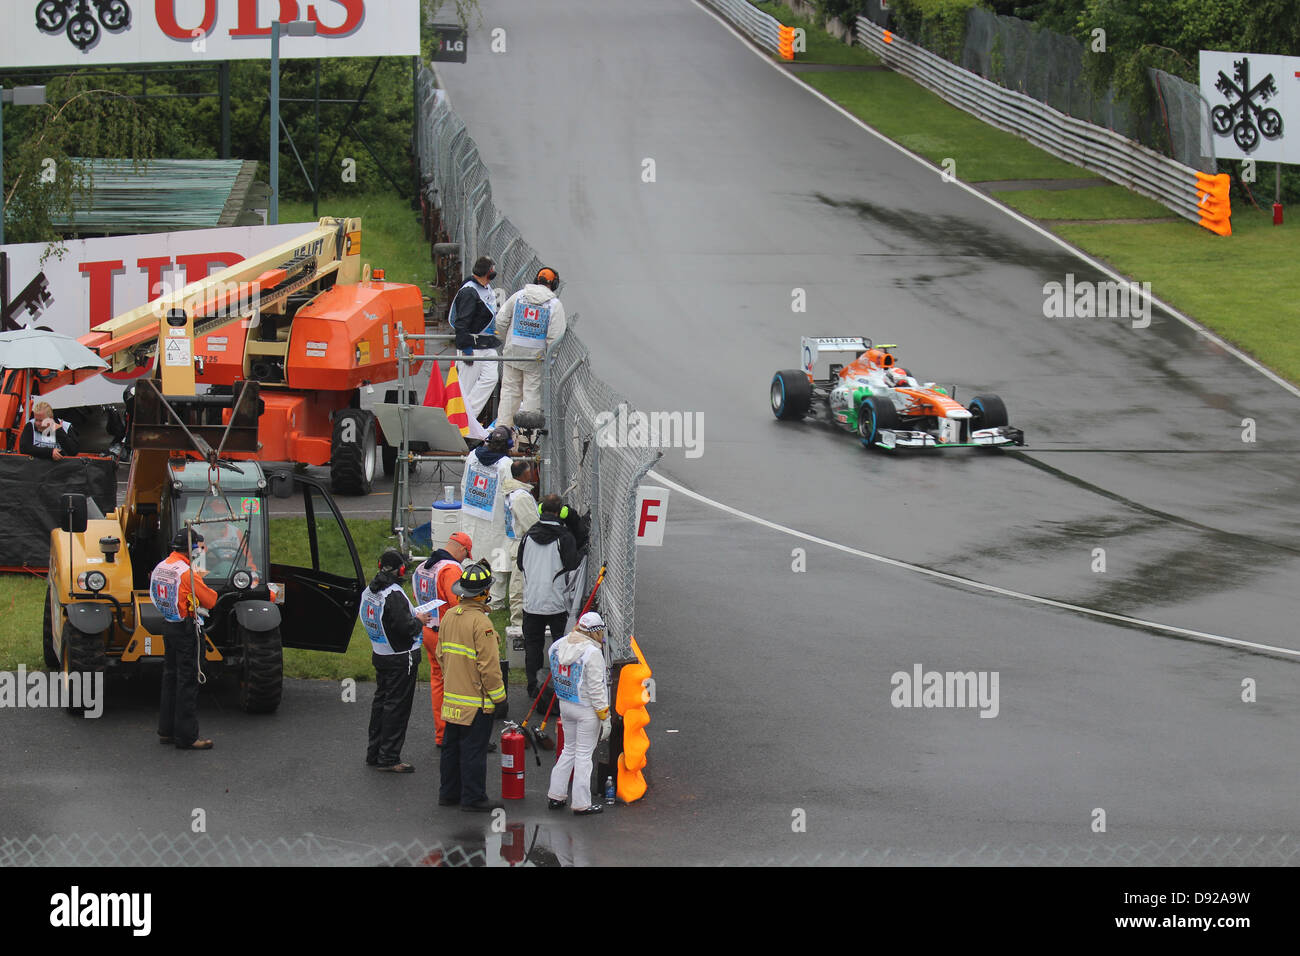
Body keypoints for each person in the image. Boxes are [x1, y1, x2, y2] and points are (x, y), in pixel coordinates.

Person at [436, 563, 507, 811]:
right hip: (476, 704)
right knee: (473, 751)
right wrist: (499, 699)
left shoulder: (448, 617)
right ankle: (473, 798)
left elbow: (440, 655)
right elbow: (489, 667)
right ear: (484, 593)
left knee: (451, 748)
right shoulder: (482, 624)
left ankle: (449, 794)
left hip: (452, 700)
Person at [360, 547, 432, 773]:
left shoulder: (370, 591)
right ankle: (389, 757)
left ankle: (375, 752)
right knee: (396, 708)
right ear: (400, 569)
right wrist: (419, 620)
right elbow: (407, 628)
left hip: (381, 654)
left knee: (381, 704)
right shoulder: (394, 594)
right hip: (401, 659)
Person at [151, 528, 219, 750]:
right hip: (186, 630)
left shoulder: (161, 567)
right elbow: (210, 600)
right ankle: (187, 736)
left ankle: (166, 730)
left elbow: (154, 596)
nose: (199, 551)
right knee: (187, 681)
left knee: (170, 678)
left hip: (169, 625)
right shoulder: (186, 573)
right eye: (198, 547)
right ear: (190, 549)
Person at [411, 530, 473, 748]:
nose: (465, 560)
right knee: (458, 683)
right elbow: (459, 603)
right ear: (461, 549)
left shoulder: (424, 566)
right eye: (466, 555)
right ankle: (459, 734)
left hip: (427, 631)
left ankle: (442, 734)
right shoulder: (451, 569)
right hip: (447, 636)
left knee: (438, 681)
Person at [517, 493, 581, 703]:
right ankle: (561, 687)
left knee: (532, 647)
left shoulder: (527, 536)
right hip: (556, 603)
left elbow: (520, 564)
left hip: (531, 602)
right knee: (561, 647)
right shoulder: (564, 537)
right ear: (559, 512)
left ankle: (533, 689)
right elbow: (572, 564)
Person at [546, 612, 611, 816]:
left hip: (565, 704)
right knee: (583, 755)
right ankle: (582, 803)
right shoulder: (592, 653)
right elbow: (596, 689)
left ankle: (556, 795)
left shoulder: (557, 646)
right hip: (586, 710)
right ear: (596, 631)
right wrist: (605, 716)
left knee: (568, 750)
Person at [493, 267, 566, 429]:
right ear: (553, 284)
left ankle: (502, 432)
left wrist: (508, 341)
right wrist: (550, 361)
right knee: (532, 395)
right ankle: (527, 438)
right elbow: (555, 338)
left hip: (512, 354)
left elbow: (500, 321)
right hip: (536, 359)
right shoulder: (554, 305)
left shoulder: (518, 296)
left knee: (509, 394)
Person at [460, 424, 513, 609]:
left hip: (472, 514)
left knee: (473, 552)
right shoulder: (505, 464)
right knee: (498, 557)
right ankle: (495, 600)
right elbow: (510, 492)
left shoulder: (473, 456)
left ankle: (469, 591)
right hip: (496, 521)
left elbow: (464, 483)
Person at [450, 256, 501, 440]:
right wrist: (466, 348)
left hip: (487, 344)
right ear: (488, 272)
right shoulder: (469, 292)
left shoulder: (485, 288)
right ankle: (458, 426)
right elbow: (461, 322)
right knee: (464, 386)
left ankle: (467, 418)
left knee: (491, 378)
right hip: (472, 347)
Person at [499, 459, 539, 639]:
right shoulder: (521, 496)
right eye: (529, 470)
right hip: (522, 542)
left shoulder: (513, 493)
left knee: (520, 582)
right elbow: (531, 523)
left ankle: (521, 618)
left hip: (515, 541)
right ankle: (518, 622)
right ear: (524, 474)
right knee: (519, 584)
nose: (531, 473)